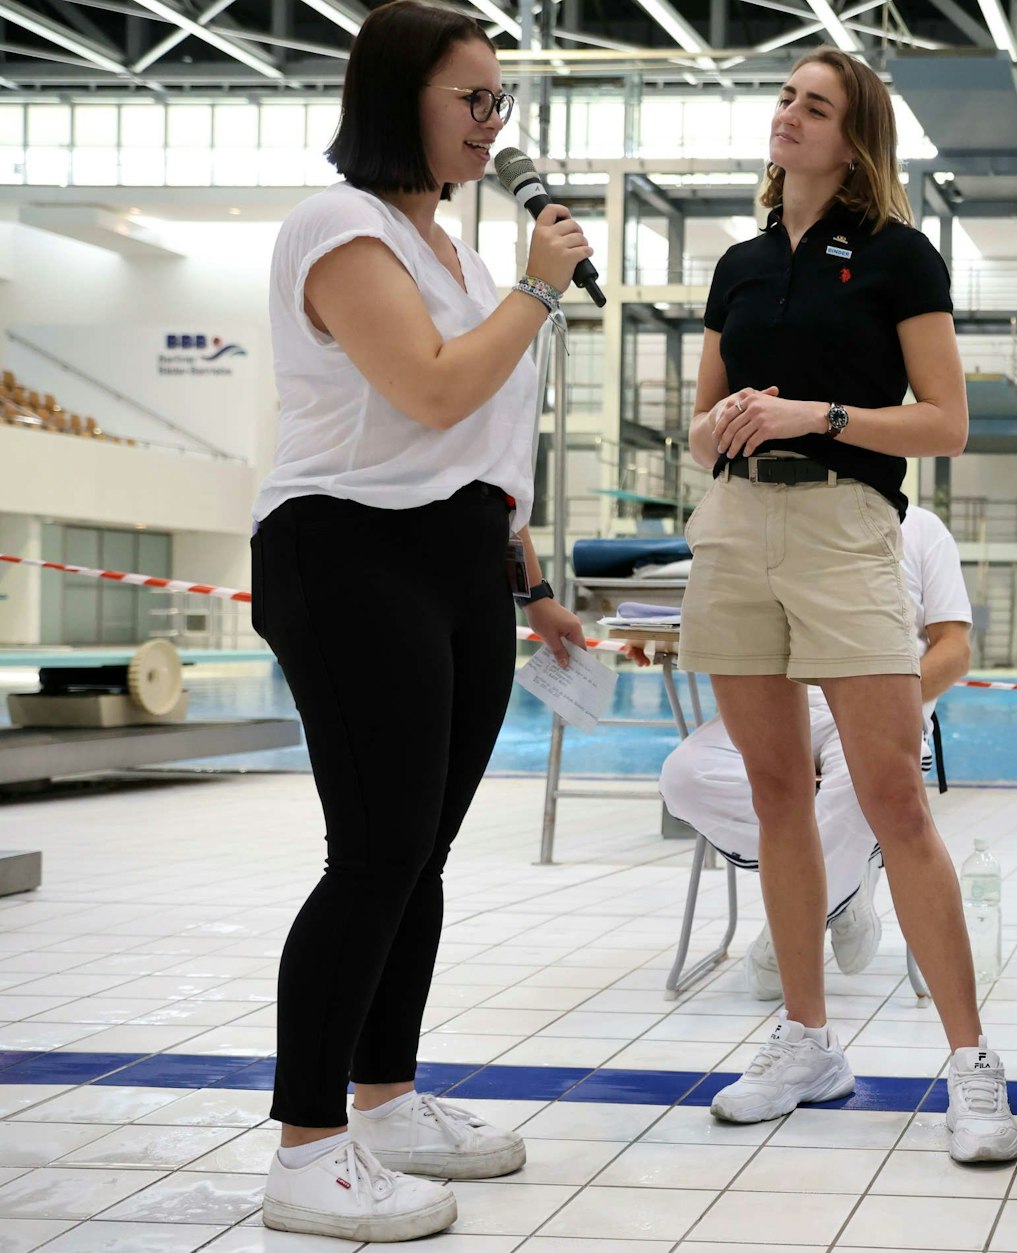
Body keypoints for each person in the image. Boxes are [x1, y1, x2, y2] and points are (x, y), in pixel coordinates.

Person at [250, 2, 591, 1240]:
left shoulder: (459, 259)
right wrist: (542, 294)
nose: (494, 124)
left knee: (423, 850)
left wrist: (529, 576)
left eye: (502, 101)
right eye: (474, 99)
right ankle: (304, 1148)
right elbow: (432, 388)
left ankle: (384, 1097)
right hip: (346, 548)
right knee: (375, 850)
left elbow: (488, 447)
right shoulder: (336, 228)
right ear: (402, 98)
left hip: (458, 558)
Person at [679, 46, 1017, 1164]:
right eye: (782, 97)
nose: (787, 115)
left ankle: (971, 1063)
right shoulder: (734, 264)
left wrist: (813, 414)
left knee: (890, 797)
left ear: (853, 138)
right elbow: (693, 426)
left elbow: (945, 421)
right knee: (779, 791)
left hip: (843, 528)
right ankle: (806, 1036)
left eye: (813, 105)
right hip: (734, 528)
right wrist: (728, 423)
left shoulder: (895, 257)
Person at [660, 503, 972, 997]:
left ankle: (791, 925)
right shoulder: (762, 518)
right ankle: (845, 892)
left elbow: (955, 647)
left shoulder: (923, 529)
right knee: (683, 777)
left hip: (878, 701)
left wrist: (887, 706)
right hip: (779, 702)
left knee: (862, 787)